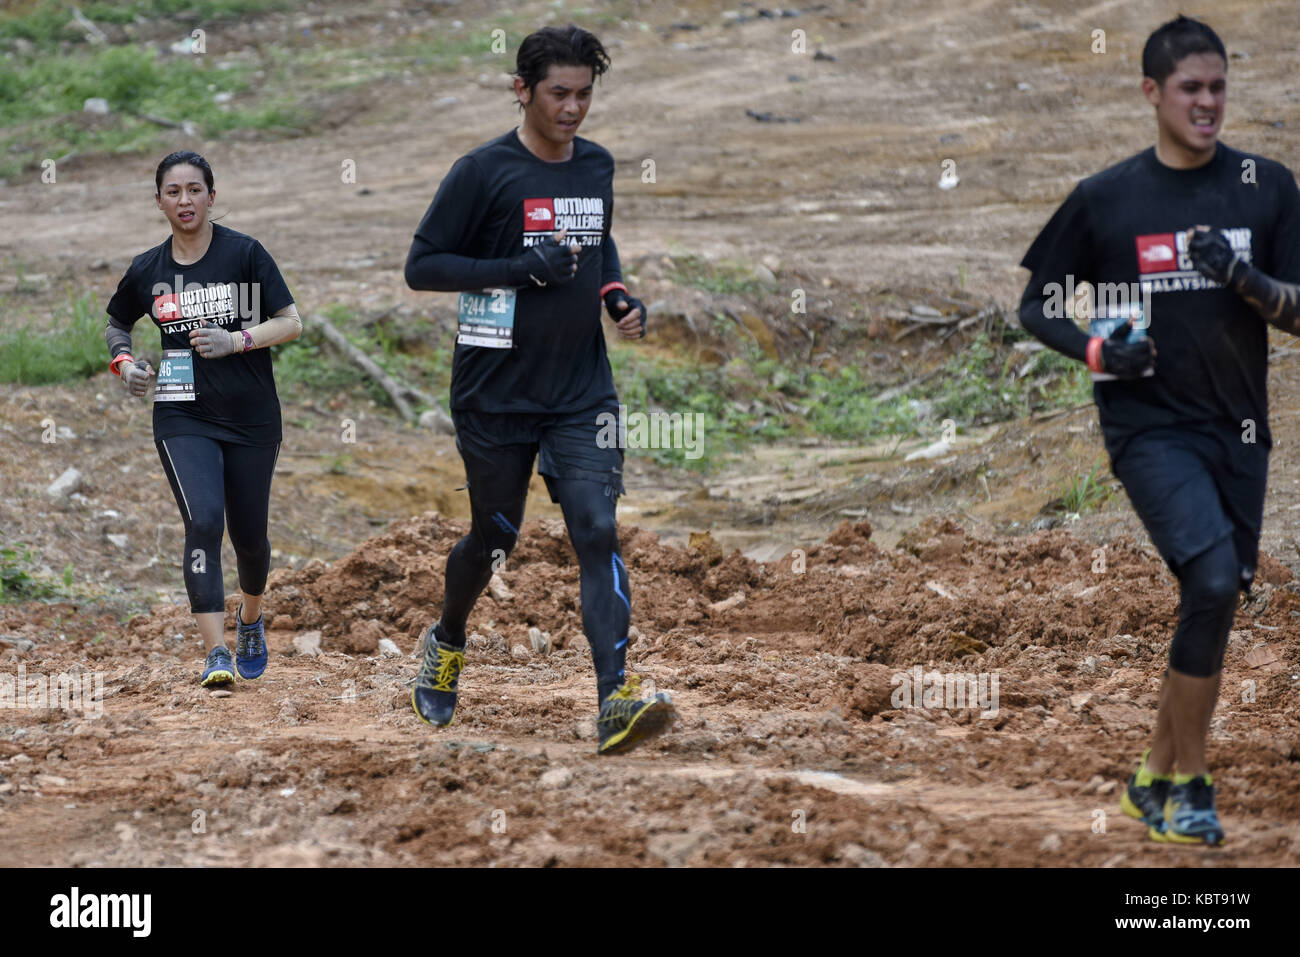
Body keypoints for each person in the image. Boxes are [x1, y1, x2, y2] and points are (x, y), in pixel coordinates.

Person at [1019, 15, 1300, 845]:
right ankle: (1191, 783)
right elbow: (1036, 304)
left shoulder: (1265, 187)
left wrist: (1244, 278)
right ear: (1152, 93)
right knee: (1212, 581)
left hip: (1239, 430)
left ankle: (1151, 775)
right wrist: (1098, 346)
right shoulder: (1110, 198)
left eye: (1218, 87)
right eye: (1190, 88)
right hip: (1147, 429)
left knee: (1216, 596)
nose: (1207, 102)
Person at [403, 24, 675, 754]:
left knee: (596, 528)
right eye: (559, 93)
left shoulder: (597, 166)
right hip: (495, 394)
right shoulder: (482, 172)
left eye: (585, 94)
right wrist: (522, 266)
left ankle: (615, 699)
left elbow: (599, 237)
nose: (574, 109)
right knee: (496, 538)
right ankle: (449, 635)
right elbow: (423, 266)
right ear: (522, 89)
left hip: (581, 392)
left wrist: (614, 291)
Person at [105, 150, 302, 687]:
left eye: (195, 190)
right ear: (159, 202)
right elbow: (116, 323)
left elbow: (291, 323)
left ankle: (251, 619)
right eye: (173, 192)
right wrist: (125, 364)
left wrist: (236, 339)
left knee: (251, 538)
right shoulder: (149, 268)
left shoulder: (245, 254)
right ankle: (216, 653)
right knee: (204, 521)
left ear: (211, 196)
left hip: (252, 417)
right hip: (181, 414)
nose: (184, 200)